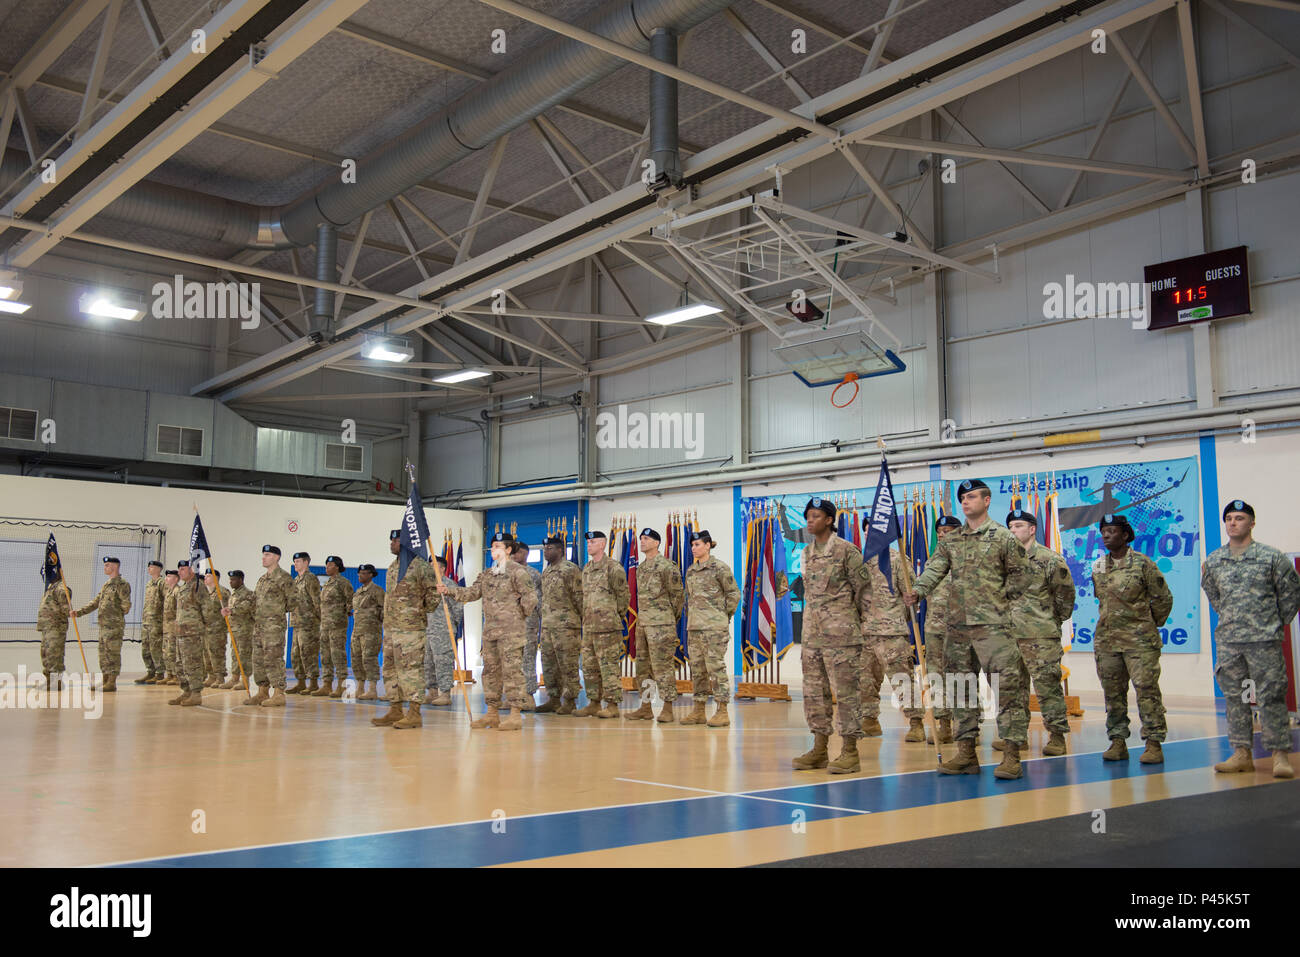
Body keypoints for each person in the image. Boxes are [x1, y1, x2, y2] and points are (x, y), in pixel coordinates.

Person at [905, 479, 1031, 779]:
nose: (965, 501)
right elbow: (935, 568)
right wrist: (918, 591)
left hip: (994, 628)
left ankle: (1012, 755)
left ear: (987, 501)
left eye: (972, 496)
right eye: (962, 497)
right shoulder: (951, 540)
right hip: (958, 628)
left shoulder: (1003, 537)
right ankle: (966, 753)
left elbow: (1021, 580)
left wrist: (1003, 610)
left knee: (1007, 691)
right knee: (961, 689)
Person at [1203, 500, 1300, 779]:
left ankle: (1280, 754)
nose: (1233, 523)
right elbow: (1214, 596)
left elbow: (1291, 593)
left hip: (1264, 640)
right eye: (1229, 518)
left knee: (1271, 696)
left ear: (1252, 523)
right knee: (1235, 698)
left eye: (1240, 518)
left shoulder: (1271, 557)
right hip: (1230, 642)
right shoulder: (1214, 560)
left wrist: (1275, 622)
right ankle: (1241, 753)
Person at [792, 498, 872, 773]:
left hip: (842, 636)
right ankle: (819, 748)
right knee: (814, 693)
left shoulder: (847, 551)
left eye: (815, 516)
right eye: (808, 516)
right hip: (813, 636)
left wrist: (853, 624)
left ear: (829, 520)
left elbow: (864, 591)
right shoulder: (807, 552)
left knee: (847, 694)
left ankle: (850, 751)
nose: (810, 521)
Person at [1090, 514, 1172, 765]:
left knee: (1147, 691)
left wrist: (1146, 624)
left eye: (1112, 531)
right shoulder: (1099, 566)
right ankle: (1117, 741)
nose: (1106, 535)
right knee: (1113, 694)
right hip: (1107, 641)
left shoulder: (1143, 564)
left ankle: (1153, 742)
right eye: (1103, 531)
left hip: (1140, 642)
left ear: (1125, 535)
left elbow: (1163, 598)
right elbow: (1102, 600)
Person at [439, 532, 537, 730]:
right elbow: (471, 593)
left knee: (512, 672)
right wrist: (449, 590)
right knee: (490, 673)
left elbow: (530, 598)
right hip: (491, 632)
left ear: (508, 550)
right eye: (492, 547)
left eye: (498, 547)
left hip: (511, 632)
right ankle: (492, 713)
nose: (493, 550)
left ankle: (515, 714)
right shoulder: (487, 574)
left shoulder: (518, 572)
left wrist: (517, 617)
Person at [1001, 508, 1075, 756]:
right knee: (1012, 689)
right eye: (1010, 527)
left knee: (1047, 687)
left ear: (1032, 529)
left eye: (1019, 526)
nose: (1013, 530)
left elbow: (1065, 597)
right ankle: (1016, 737)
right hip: (1010, 636)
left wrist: (1049, 621)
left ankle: (1056, 736)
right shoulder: (1004, 561)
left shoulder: (1049, 559)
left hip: (1040, 635)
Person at [858, 546, 926, 742]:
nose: (870, 532)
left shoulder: (898, 560)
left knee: (902, 680)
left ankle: (916, 723)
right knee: (865, 681)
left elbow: (911, 596)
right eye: (867, 529)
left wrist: (895, 619)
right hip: (865, 632)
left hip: (892, 632)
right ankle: (869, 720)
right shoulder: (858, 562)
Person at [373, 531, 437, 729]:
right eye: (391, 540)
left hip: (411, 629)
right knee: (391, 670)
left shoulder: (420, 566)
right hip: (391, 628)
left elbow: (433, 595)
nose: (392, 543)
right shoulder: (393, 567)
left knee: (411, 670)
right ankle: (395, 709)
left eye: (396, 540)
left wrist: (417, 612)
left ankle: (414, 712)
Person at [682, 530, 740, 727]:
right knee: (697, 669)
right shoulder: (690, 571)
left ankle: (722, 710)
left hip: (714, 628)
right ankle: (699, 710)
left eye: (697, 544)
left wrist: (723, 617)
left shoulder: (719, 568)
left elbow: (733, 594)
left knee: (715, 668)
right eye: (692, 545)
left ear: (707, 545)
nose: (694, 548)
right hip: (695, 627)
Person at [627, 527, 685, 722]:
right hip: (643, 625)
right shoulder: (641, 568)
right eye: (641, 538)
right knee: (643, 668)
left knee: (663, 668)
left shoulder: (667, 566)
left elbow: (678, 597)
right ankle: (645, 706)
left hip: (661, 625)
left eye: (646, 539)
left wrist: (667, 619)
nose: (642, 542)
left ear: (656, 542)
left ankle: (667, 707)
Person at [577, 531, 629, 719]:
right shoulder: (587, 568)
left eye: (593, 542)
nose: (589, 545)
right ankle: (594, 702)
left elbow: (623, 597)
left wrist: (614, 616)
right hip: (589, 627)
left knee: (608, 667)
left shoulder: (613, 568)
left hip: (607, 628)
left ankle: (613, 704)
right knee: (590, 667)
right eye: (588, 542)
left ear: (603, 545)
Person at [924, 516, 961, 744]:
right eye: (940, 531)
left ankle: (966, 726)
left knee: (962, 677)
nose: (942, 534)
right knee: (936, 676)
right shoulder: (931, 563)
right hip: (934, 628)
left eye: (948, 530)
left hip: (960, 629)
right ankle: (943, 724)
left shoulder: (968, 562)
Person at [74, 556, 132, 693]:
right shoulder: (107, 584)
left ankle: (112, 682)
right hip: (104, 626)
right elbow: (96, 601)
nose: (105, 567)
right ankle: (105, 680)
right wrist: (79, 612)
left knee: (112, 653)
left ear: (115, 566)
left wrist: (116, 615)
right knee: (103, 654)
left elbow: (126, 605)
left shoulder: (122, 584)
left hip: (114, 626)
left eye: (107, 565)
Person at [538, 535, 583, 714]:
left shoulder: (570, 570)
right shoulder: (547, 572)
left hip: (566, 626)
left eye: (549, 549)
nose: (546, 552)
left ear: (560, 550)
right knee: (548, 664)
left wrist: (579, 622)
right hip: (548, 626)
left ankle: (570, 700)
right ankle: (553, 698)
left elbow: (579, 597)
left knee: (568, 664)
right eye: (544, 549)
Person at [247, 545, 294, 707]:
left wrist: (275, 613)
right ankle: (262, 692)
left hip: (274, 627)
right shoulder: (262, 579)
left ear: (276, 557)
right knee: (258, 659)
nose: (263, 558)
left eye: (267, 555)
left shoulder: (284, 578)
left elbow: (293, 602)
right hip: (259, 626)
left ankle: (279, 693)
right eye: (263, 555)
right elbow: (254, 601)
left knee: (273, 658)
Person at [423, 556, 462, 707]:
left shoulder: (449, 586)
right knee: (428, 663)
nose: (430, 568)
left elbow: (458, 609)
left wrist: (451, 626)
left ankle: (445, 694)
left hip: (443, 631)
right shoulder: (427, 586)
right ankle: (432, 693)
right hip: (427, 630)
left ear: (442, 569)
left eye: (433, 565)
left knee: (443, 662)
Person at [510, 541, 544, 709]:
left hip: (527, 624)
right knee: (508, 661)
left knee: (527, 659)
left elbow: (538, 600)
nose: (514, 555)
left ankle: (528, 695)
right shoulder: (504, 572)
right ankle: (510, 697)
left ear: (524, 554)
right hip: (507, 625)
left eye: (517, 552)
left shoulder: (533, 574)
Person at [169, 560, 208, 707]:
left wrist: (203, 627)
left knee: (193, 663)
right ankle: (186, 691)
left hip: (192, 633)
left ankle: (196, 693)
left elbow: (206, 608)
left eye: (183, 569)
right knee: (180, 664)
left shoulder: (198, 587)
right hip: (180, 632)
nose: (180, 572)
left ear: (191, 570)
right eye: (179, 569)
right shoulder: (183, 588)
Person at [318, 556, 355, 698]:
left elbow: (351, 600)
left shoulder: (343, 583)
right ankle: (327, 685)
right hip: (325, 625)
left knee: (337, 654)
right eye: (326, 564)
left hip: (337, 625)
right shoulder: (327, 584)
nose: (327, 567)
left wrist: (344, 612)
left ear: (337, 567)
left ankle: (342, 685)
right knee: (325, 655)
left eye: (331, 565)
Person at [289, 551, 321, 695]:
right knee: (295, 655)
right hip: (297, 623)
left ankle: (313, 683)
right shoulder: (296, 580)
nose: (295, 564)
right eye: (294, 562)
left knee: (308, 653)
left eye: (298, 561)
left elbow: (317, 601)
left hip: (309, 624)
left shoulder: (311, 579)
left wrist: (320, 620)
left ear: (306, 562)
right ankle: (300, 683)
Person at [351, 563, 385, 701]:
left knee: (369, 659)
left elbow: (384, 610)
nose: (360, 575)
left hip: (371, 632)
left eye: (364, 573)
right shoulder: (358, 592)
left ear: (371, 574)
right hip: (357, 631)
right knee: (356, 660)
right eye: (359, 573)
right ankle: (360, 687)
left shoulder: (377, 591)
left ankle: (372, 689)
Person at [220, 571, 255, 690]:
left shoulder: (248, 593)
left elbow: (245, 607)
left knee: (244, 655)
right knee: (235, 655)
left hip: (244, 631)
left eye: (233, 580)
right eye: (230, 580)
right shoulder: (233, 594)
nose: (231, 582)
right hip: (234, 630)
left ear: (240, 580)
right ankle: (234, 678)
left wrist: (231, 610)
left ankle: (245, 681)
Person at [38, 571, 71, 690]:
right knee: (46, 655)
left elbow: (66, 609)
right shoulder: (51, 588)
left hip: (56, 628)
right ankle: (48, 681)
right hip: (47, 628)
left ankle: (56, 683)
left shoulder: (61, 588)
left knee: (54, 655)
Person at [137, 560, 165, 684]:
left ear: (158, 569)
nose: (149, 569)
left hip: (157, 622)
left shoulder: (162, 583)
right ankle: (150, 671)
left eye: (152, 567)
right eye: (149, 567)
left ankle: (159, 673)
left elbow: (166, 602)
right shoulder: (149, 584)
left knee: (156, 648)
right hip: (146, 621)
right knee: (146, 648)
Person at [201, 570, 227, 688]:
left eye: (208, 576)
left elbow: (227, 611)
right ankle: (211, 676)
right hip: (206, 629)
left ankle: (220, 677)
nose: (205, 578)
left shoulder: (222, 593)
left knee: (217, 654)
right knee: (207, 654)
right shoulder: (206, 593)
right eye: (205, 576)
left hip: (218, 630)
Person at [161, 569, 179, 685]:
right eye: (166, 576)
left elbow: (179, 610)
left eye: (169, 576)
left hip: (173, 627)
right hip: (166, 627)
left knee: (173, 651)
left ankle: (176, 675)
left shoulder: (177, 591)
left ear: (176, 579)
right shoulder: (168, 591)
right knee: (166, 651)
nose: (166, 578)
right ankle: (169, 674)